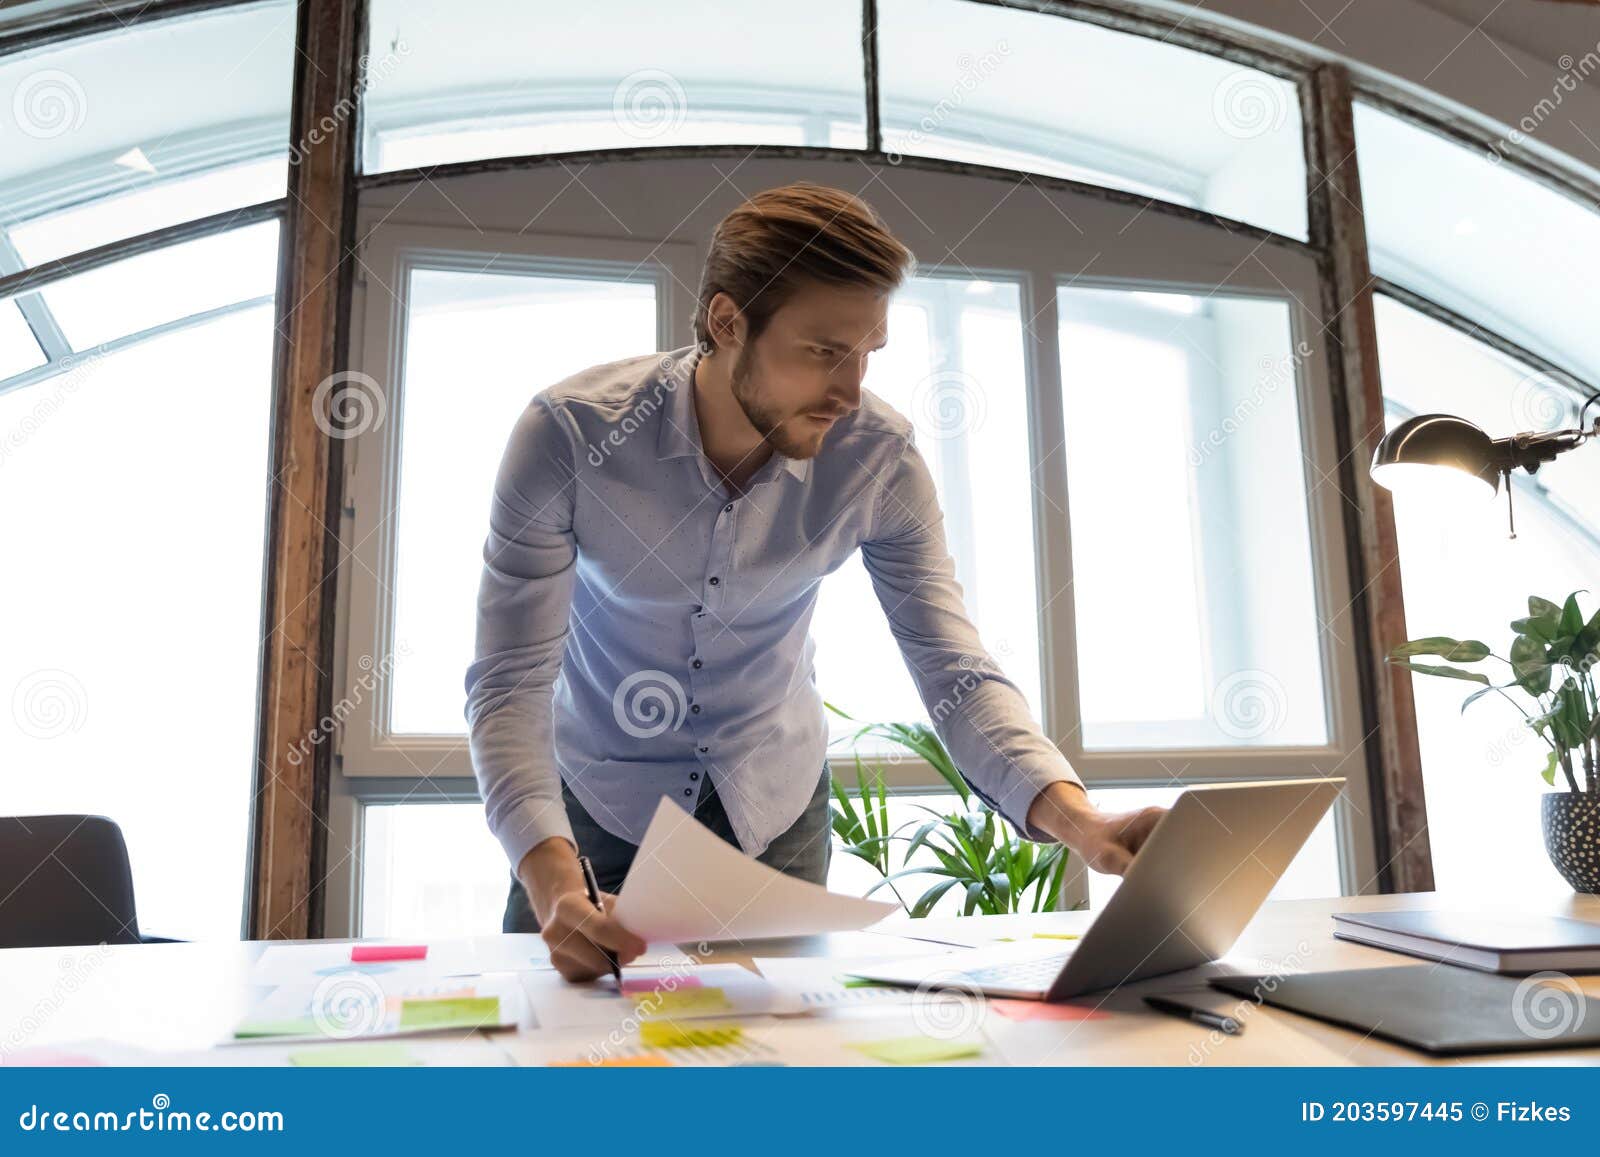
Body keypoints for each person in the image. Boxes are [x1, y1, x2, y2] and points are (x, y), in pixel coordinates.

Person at [465, 181, 1165, 982]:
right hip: (591, 808)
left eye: (868, 352)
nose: (850, 392)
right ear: (728, 323)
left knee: (772, 1062)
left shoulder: (881, 460)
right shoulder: (566, 436)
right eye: (824, 352)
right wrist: (554, 880)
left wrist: (1081, 821)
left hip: (774, 809)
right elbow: (510, 682)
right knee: (558, 1057)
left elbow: (953, 668)